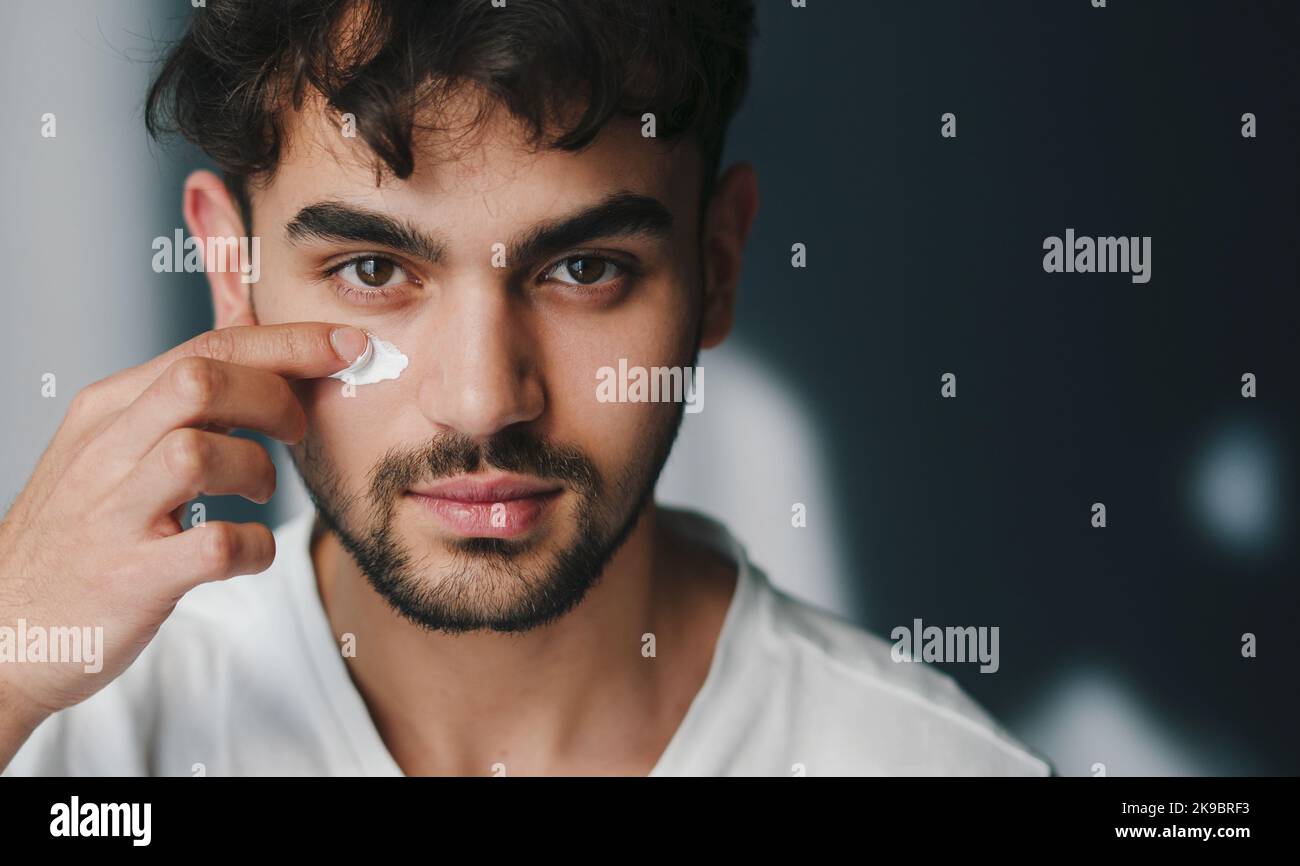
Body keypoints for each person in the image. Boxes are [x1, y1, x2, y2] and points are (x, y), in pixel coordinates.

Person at [0, 0, 1049, 776]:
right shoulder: (71, 734)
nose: (481, 399)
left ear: (717, 265)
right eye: (373, 271)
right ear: (231, 274)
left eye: (583, 269)